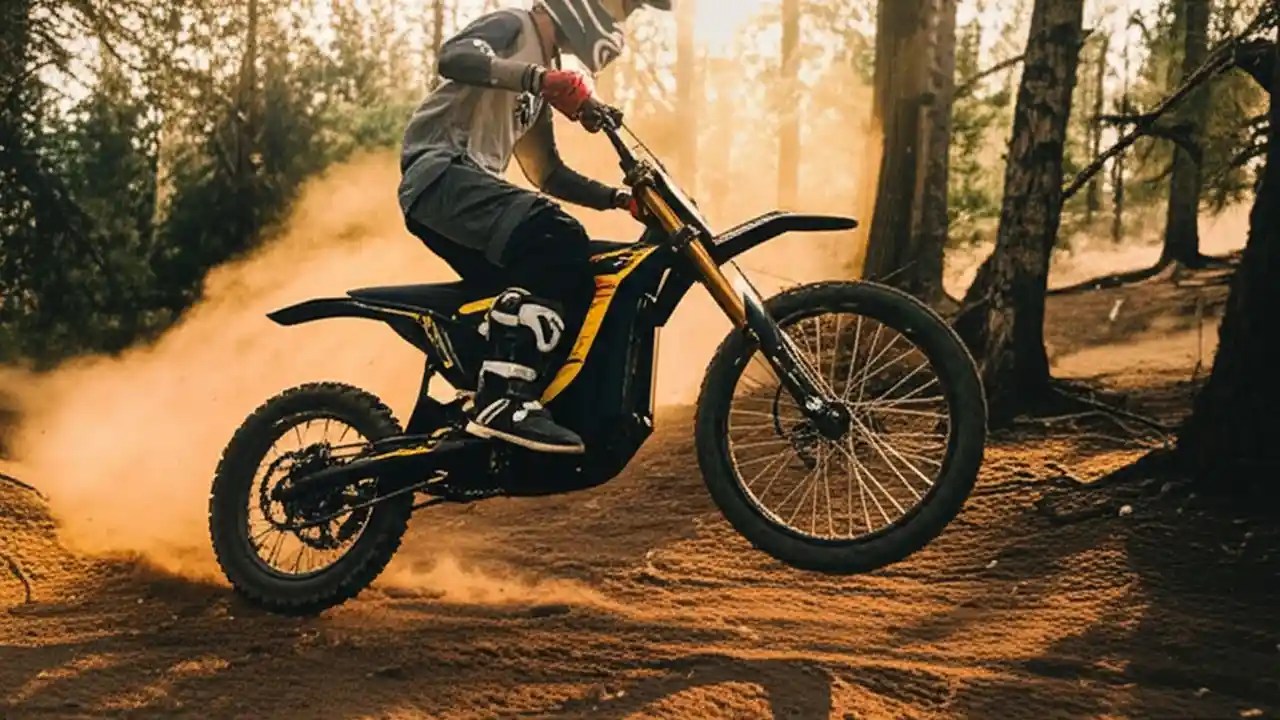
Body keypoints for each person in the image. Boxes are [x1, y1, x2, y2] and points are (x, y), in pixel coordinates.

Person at [398, 0, 672, 455]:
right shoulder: (513, 24)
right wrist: (538, 79)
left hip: (468, 193)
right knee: (556, 236)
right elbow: (453, 57)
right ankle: (502, 400)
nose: (624, 18)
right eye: (625, 6)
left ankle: (509, 400)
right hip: (441, 175)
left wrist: (618, 199)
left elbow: (546, 173)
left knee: (580, 267)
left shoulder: (547, 69)